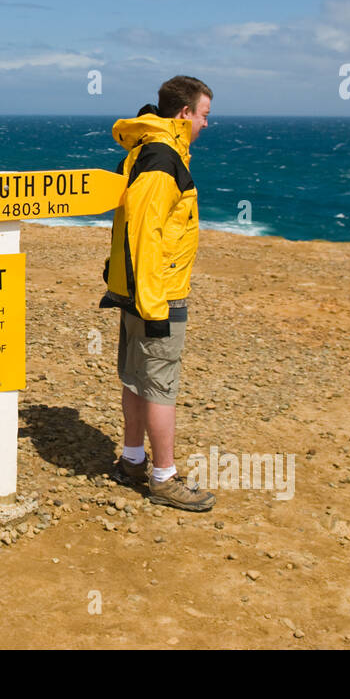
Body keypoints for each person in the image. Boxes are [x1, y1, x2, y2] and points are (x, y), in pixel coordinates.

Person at [100, 75, 215, 511]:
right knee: (160, 387)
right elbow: (144, 235)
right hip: (155, 295)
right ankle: (164, 478)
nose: (207, 124)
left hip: (135, 291)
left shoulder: (148, 152)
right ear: (184, 114)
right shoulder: (162, 160)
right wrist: (155, 308)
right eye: (204, 115)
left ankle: (132, 460)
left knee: (135, 378)